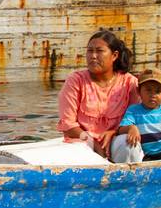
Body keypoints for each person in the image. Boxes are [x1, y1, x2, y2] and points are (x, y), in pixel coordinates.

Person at [56, 30, 140, 159]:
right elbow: (68, 125)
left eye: (99, 51)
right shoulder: (75, 81)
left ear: (114, 55)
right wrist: (94, 144)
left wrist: (113, 132)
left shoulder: (129, 83)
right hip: (83, 141)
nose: (93, 56)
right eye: (90, 51)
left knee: (129, 145)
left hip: (114, 139)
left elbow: (136, 119)